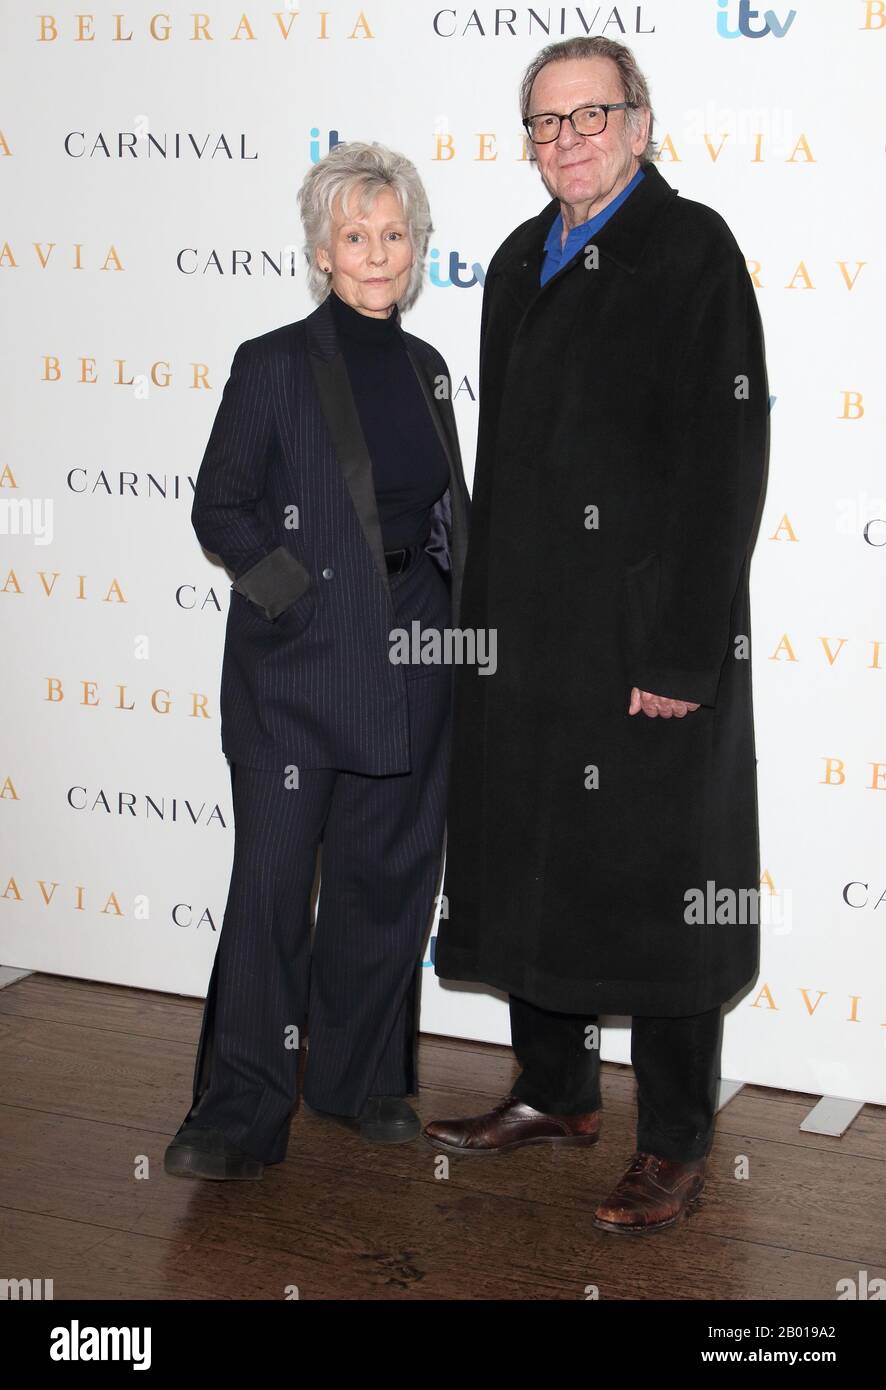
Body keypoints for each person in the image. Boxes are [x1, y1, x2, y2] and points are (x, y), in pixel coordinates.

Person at [425, 36, 770, 1235]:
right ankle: (558, 1092)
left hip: (641, 642)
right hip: (526, 638)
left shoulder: (693, 250)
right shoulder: (519, 259)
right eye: (544, 122)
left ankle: (674, 1140)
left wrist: (679, 655)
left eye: (589, 115)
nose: (565, 139)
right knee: (535, 859)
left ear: (638, 123)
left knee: (665, 888)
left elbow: (723, 467)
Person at [165, 141, 470, 1181]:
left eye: (394, 234)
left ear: (414, 248)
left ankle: (362, 1082)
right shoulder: (276, 362)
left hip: (411, 656)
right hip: (295, 671)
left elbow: (436, 510)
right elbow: (221, 504)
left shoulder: (428, 369)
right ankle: (238, 1108)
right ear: (321, 251)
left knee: (387, 880)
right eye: (356, 235)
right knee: (269, 889)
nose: (377, 253)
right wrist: (289, 596)